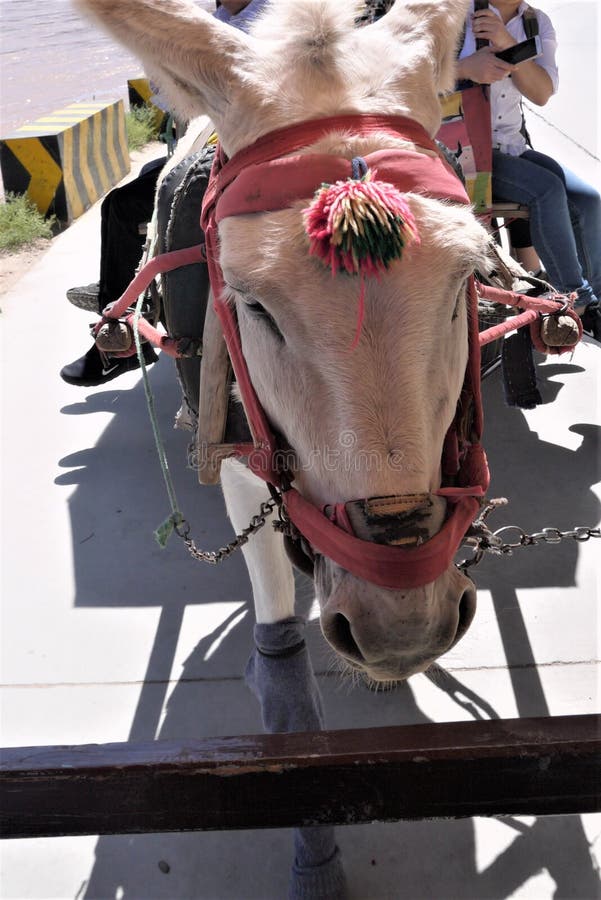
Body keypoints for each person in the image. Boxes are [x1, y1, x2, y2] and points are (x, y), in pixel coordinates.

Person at [60, 0, 271, 387]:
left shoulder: (260, 18)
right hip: (226, 142)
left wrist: (159, 41)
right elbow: (168, 90)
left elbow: (188, 88)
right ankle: (130, 290)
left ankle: (117, 339)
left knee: (122, 207)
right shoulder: (227, 17)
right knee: (146, 175)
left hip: (246, 154)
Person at [456, 0, 601, 341]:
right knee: (546, 188)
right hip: (463, 155)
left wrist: (507, 42)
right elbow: (411, 76)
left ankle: (594, 301)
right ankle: (572, 301)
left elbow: (542, 93)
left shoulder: (536, 23)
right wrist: (465, 69)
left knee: (589, 199)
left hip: (511, 148)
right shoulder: (454, 13)